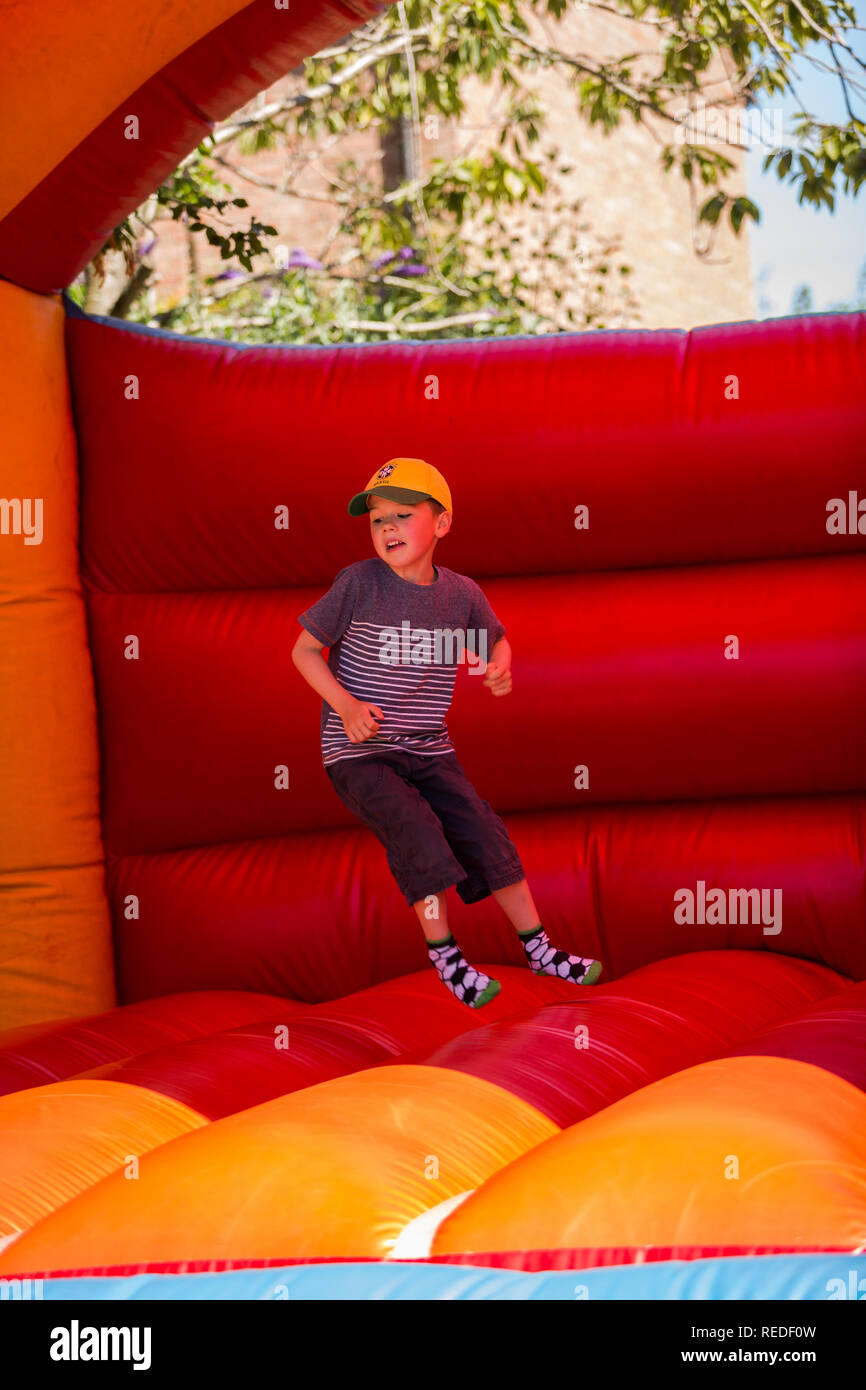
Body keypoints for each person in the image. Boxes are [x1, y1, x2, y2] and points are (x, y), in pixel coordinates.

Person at [292, 457, 602, 1008]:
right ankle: (448, 960)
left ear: (441, 523)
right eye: (376, 519)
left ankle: (541, 949)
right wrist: (345, 706)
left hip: (429, 748)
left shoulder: (460, 595)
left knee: (485, 834)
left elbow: (495, 641)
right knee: (419, 836)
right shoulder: (358, 584)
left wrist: (500, 664)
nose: (387, 528)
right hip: (361, 752)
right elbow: (304, 650)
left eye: (402, 515)